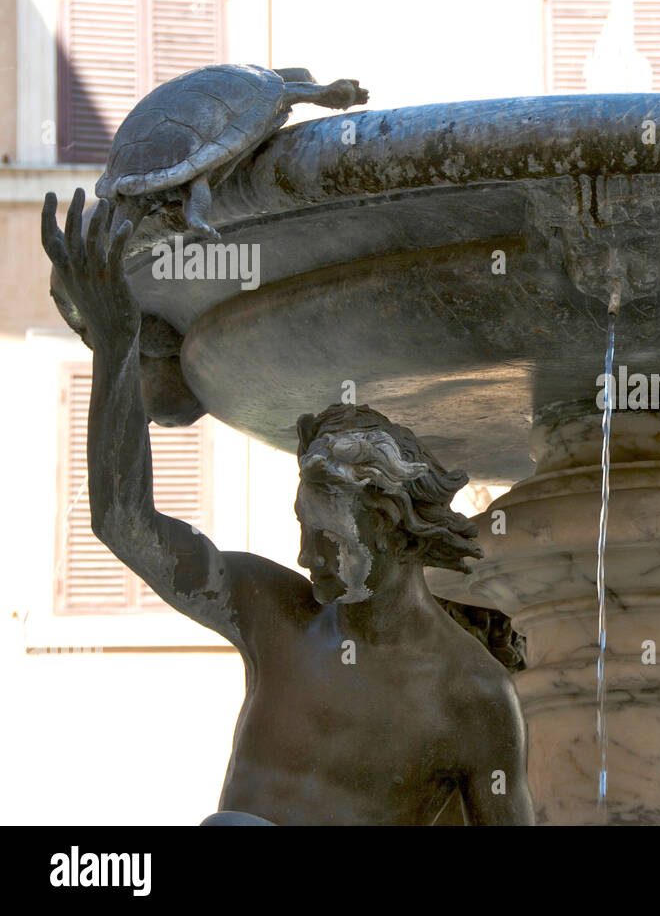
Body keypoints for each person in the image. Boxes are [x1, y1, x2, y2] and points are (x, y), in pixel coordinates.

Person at [42, 191, 534, 825]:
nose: (304, 557)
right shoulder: (272, 612)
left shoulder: (472, 695)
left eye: (326, 538)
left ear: (387, 528)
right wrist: (116, 347)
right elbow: (122, 524)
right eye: (304, 531)